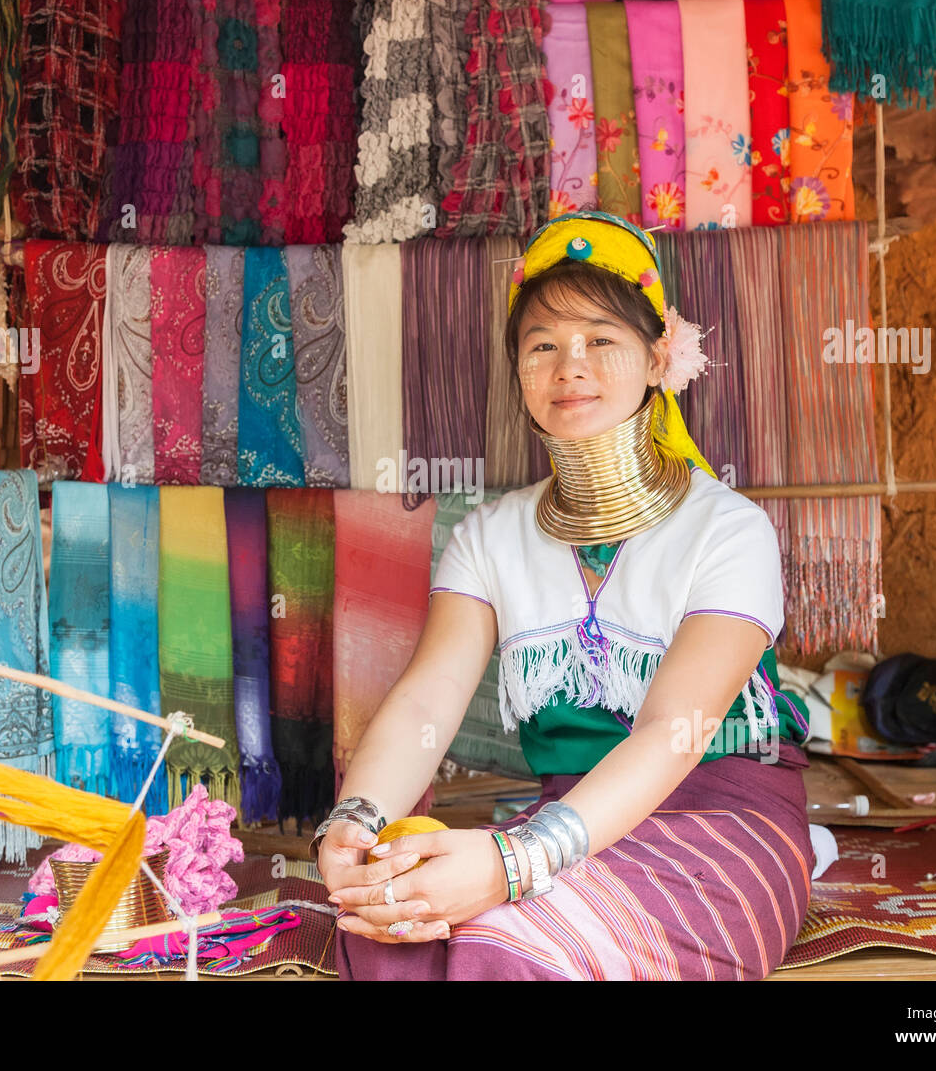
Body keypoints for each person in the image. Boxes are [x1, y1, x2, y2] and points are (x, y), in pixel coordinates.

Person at [316, 210, 812, 980]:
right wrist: (356, 819)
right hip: (564, 818)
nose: (568, 366)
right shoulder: (491, 536)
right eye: (541, 344)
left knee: (509, 946)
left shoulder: (729, 529)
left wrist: (513, 863)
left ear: (657, 358)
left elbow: (671, 735)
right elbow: (424, 704)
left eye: (599, 340)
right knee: (392, 922)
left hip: (721, 820)